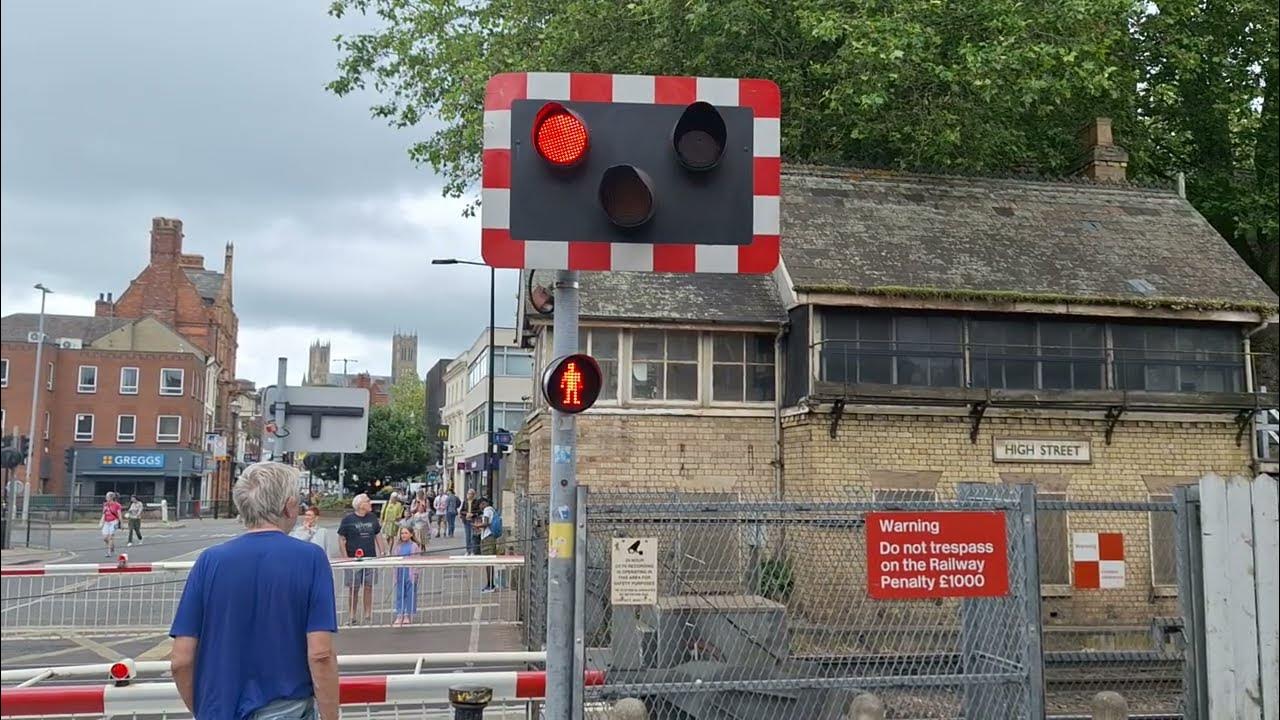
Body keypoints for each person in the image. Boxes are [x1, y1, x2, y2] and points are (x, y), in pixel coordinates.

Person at [169, 462, 339, 720]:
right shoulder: (311, 559)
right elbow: (321, 654)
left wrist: (203, 710)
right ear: (288, 506)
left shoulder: (210, 561)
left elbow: (181, 660)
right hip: (286, 709)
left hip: (219, 709)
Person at [337, 493, 385, 625]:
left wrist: (382, 551)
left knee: (369, 586)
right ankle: (352, 615)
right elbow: (341, 539)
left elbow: (378, 535)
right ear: (360, 505)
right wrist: (345, 557)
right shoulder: (348, 520)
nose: (370, 503)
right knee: (354, 588)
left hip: (370, 557)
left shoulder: (372, 518)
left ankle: (368, 614)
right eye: (368, 501)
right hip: (354, 558)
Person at [391, 526, 423, 626]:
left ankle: (407, 614)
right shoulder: (398, 546)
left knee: (410, 594)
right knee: (400, 594)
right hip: (400, 572)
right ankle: (399, 614)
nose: (403, 535)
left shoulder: (414, 546)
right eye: (402, 533)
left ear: (411, 534)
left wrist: (415, 574)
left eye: (406, 533)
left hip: (410, 573)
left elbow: (417, 560)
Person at [475, 497, 498, 593]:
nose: (480, 508)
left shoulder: (487, 510)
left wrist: (477, 525)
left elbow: (486, 523)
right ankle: (490, 583)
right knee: (489, 562)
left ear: (483, 503)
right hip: (490, 537)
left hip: (488, 538)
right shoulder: (492, 510)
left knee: (488, 562)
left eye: (480, 505)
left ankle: (490, 585)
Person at [101, 492, 123, 557]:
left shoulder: (117, 505)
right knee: (105, 538)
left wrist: (121, 523)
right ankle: (111, 547)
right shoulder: (105, 504)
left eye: (107, 497)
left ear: (111, 497)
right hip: (106, 522)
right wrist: (101, 522)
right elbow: (104, 514)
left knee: (111, 537)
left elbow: (119, 515)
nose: (106, 498)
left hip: (114, 521)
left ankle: (109, 552)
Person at [460, 489, 480, 555]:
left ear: (473, 495)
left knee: (472, 536)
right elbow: (461, 511)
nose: (469, 495)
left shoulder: (476, 502)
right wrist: (466, 513)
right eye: (468, 493)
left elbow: (479, 511)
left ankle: (473, 551)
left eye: (470, 494)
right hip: (466, 521)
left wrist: (472, 514)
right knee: (467, 536)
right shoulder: (465, 502)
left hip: (473, 521)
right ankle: (468, 550)